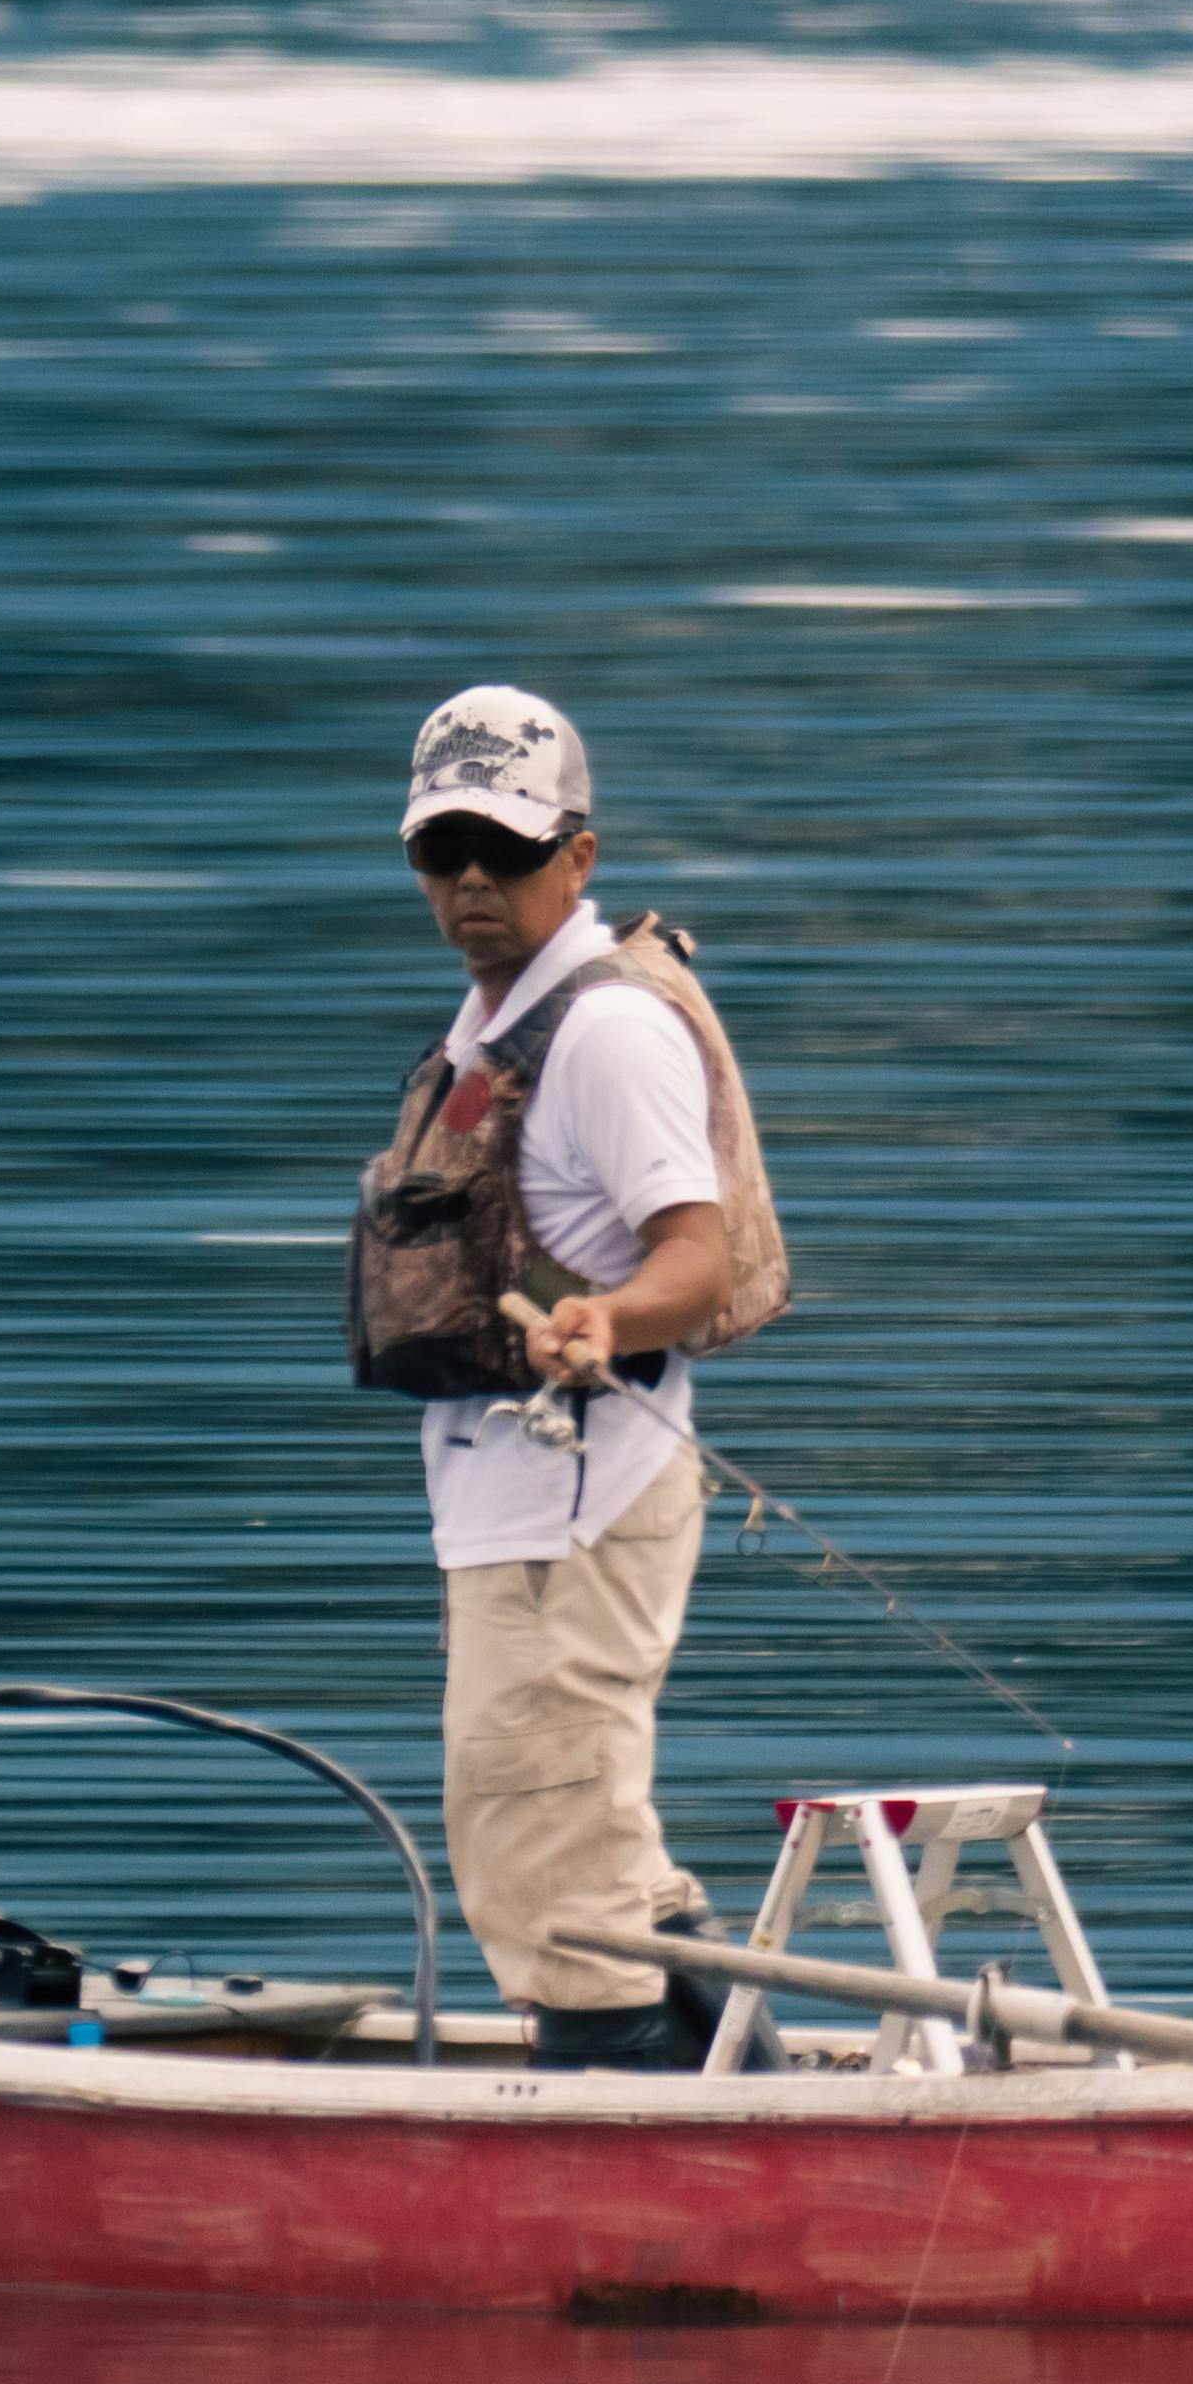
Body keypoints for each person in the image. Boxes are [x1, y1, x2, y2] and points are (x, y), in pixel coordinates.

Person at [380, 686, 744, 2072]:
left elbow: (696, 1260)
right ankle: (737, 2093)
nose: (475, 880)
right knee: (583, 1862)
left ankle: (650, 2179)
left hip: (578, 1504)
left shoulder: (604, 1030)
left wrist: (607, 1316)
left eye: (510, 849)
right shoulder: (499, 1024)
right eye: (442, 849)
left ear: (578, 857)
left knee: (550, 1880)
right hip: (521, 1507)